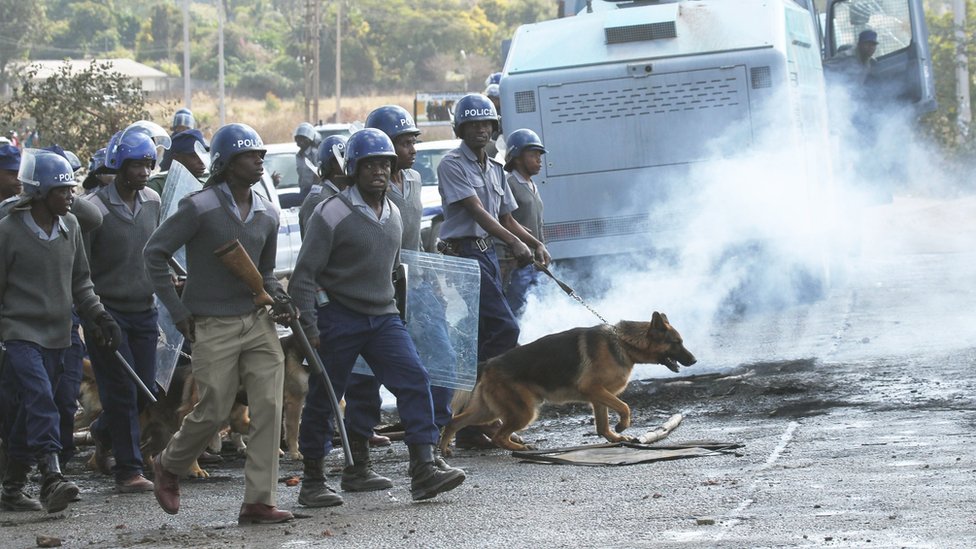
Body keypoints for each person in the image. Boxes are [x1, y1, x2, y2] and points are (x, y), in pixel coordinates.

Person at [289, 128, 466, 506]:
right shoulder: (330, 212)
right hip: (339, 316)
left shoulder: (395, 213)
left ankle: (423, 469)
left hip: (384, 316)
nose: (379, 171)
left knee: (415, 380)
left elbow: (396, 270)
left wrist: (404, 314)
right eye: (370, 165)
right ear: (353, 168)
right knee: (325, 397)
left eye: (385, 164)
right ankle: (313, 480)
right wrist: (310, 324)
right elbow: (303, 276)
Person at [144, 123, 294, 525]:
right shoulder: (199, 207)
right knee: (213, 409)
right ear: (225, 163)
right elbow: (154, 253)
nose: (259, 161)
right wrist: (177, 312)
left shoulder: (267, 212)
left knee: (269, 406)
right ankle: (168, 465)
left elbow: (265, 273)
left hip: (258, 322)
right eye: (249, 155)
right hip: (211, 323)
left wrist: (279, 297)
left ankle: (258, 501)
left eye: (261, 154)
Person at [0, 151, 121, 514]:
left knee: (39, 409)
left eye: (72, 188)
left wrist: (99, 315)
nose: (71, 196)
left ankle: (12, 487)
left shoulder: (70, 228)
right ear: (39, 193)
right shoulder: (7, 231)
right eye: (62, 189)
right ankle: (51, 476)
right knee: (40, 399)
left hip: (60, 333)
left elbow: (81, 281)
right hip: (20, 332)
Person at [437, 94, 551, 448]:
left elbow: (506, 217)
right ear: (460, 129)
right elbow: (477, 212)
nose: (481, 130)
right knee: (505, 328)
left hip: (485, 253)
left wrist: (535, 243)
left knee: (485, 333)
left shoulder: (495, 170)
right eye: (472, 124)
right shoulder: (452, 164)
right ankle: (477, 404)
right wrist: (514, 244)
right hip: (464, 254)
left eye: (486, 124)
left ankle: (473, 422)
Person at [82, 131, 162, 493]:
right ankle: (128, 470)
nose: (143, 172)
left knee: (145, 389)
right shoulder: (94, 210)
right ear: (118, 165)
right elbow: (79, 269)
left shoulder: (153, 202)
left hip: (144, 310)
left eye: (148, 164)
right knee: (121, 391)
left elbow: (155, 252)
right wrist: (93, 315)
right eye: (135, 165)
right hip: (107, 313)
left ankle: (102, 431)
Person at [494, 129, 547, 317]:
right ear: (516, 158)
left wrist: (542, 249)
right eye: (533, 155)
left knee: (535, 311)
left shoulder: (532, 185)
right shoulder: (509, 184)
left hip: (534, 262)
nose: (539, 160)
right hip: (515, 263)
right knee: (515, 312)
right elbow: (502, 220)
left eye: (540, 155)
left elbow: (538, 223)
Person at [297, 134, 347, 237]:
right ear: (333, 164)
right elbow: (314, 242)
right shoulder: (318, 200)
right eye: (345, 158)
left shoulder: (341, 194)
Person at [148, 129, 209, 194]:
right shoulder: (157, 186)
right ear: (176, 158)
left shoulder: (205, 186)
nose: (201, 162)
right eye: (194, 156)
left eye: (202, 155)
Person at [293, 122, 319, 201]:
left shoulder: (315, 154)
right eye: (298, 138)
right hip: (303, 190)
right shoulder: (299, 155)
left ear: (308, 139)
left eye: (302, 138)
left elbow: (318, 175)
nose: (299, 141)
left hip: (314, 191)